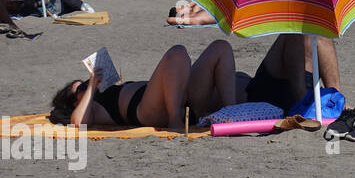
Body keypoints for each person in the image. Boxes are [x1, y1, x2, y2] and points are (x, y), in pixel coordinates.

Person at [49, 41, 243, 129]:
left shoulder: (102, 91)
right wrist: (90, 87)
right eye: (80, 87)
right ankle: (174, 121)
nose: (86, 83)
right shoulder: (93, 108)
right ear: (75, 102)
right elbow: (77, 122)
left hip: (183, 99)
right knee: (177, 53)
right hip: (146, 110)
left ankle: (231, 112)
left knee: (220, 47)